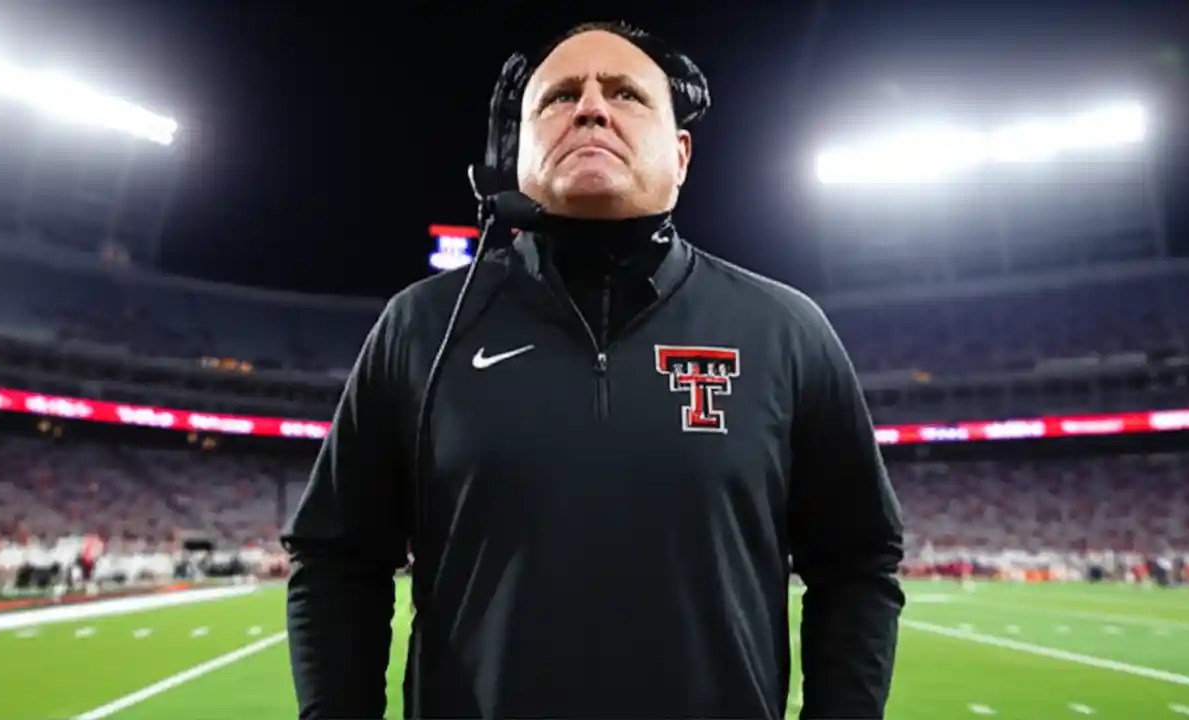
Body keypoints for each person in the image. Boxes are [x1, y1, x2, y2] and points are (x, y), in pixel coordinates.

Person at [282, 20, 905, 720]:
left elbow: (857, 562)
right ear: (511, 154)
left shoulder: (787, 331)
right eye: (558, 97)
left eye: (626, 94)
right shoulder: (421, 326)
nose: (590, 107)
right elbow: (337, 560)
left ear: (681, 155)